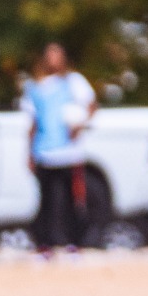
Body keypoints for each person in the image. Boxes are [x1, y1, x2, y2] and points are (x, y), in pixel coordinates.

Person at [21, 43, 97, 251]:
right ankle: (45, 244)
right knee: (46, 201)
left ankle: (73, 242)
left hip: (68, 154)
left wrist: (79, 126)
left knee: (71, 200)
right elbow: (32, 123)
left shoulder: (73, 82)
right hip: (44, 152)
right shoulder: (35, 87)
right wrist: (28, 152)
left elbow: (91, 105)